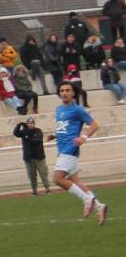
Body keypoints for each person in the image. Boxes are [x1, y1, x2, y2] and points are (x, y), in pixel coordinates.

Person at [46, 81, 108, 225]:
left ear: (73, 93)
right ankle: (100, 206)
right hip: (62, 147)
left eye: (67, 90)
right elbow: (65, 128)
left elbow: (94, 125)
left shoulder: (78, 110)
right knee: (75, 181)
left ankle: (87, 199)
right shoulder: (58, 109)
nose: (64, 93)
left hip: (71, 148)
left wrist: (83, 137)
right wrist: (55, 135)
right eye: (62, 91)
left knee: (58, 179)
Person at [13, 117, 51, 196]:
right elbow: (16, 133)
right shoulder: (24, 132)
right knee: (31, 176)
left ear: (34, 124)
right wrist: (19, 125)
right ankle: (34, 191)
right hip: (29, 158)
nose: (30, 125)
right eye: (28, 123)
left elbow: (37, 140)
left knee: (43, 174)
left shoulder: (38, 131)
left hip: (39, 157)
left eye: (31, 123)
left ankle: (47, 189)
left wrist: (28, 138)